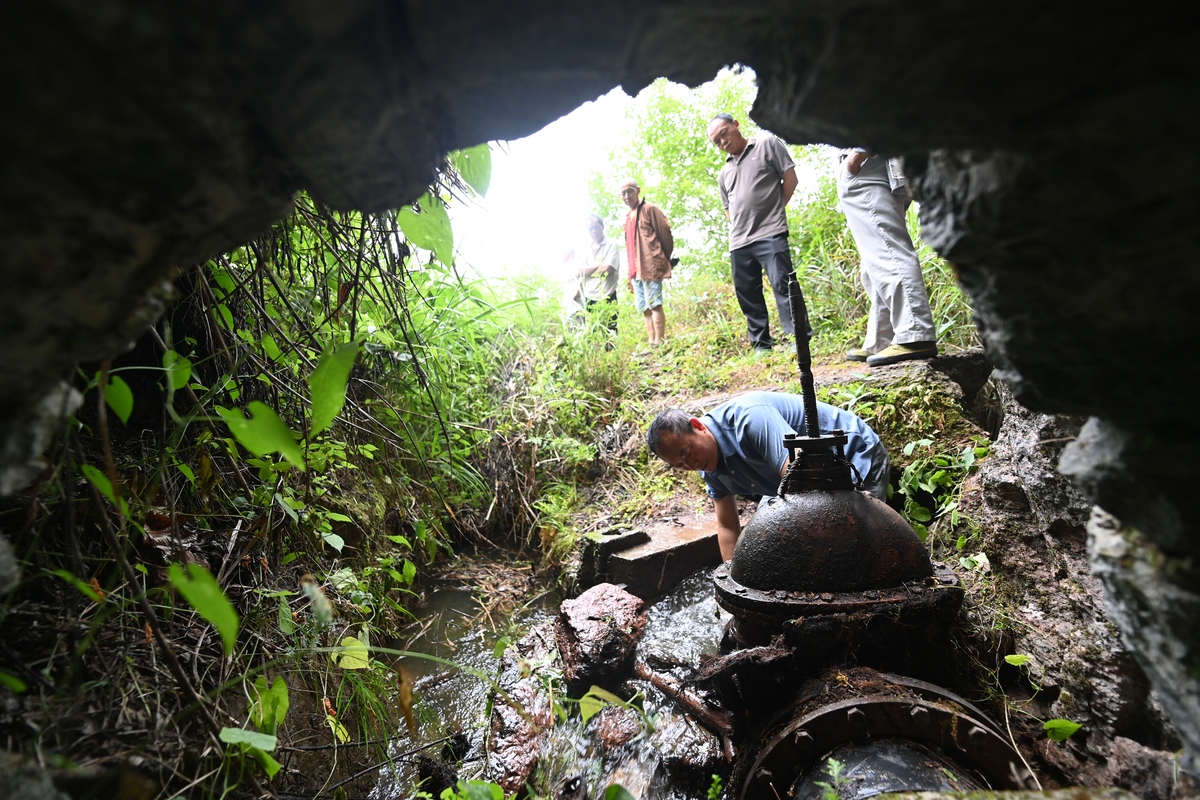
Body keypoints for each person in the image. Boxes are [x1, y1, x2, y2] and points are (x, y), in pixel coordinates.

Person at [646, 391, 890, 561]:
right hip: (799, 480)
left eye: (686, 453)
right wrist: (733, 582)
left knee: (852, 546)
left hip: (853, 456)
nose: (690, 465)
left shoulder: (749, 419)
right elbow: (727, 526)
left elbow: (802, 481)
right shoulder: (706, 464)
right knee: (767, 543)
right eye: (680, 465)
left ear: (698, 426)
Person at [707, 113, 799, 354]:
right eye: (717, 141)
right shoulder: (724, 173)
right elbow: (728, 208)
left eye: (724, 133)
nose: (723, 142)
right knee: (747, 293)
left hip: (771, 231)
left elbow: (790, 178)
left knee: (784, 285)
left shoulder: (767, 144)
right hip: (739, 241)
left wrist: (775, 210)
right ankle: (761, 345)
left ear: (736, 124)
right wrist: (741, 224)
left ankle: (798, 337)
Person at [838, 150, 938, 366]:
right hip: (873, 166)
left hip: (869, 166)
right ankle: (881, 339)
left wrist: (856, 157)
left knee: (888, 252)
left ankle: (915, 334)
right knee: (875, 260)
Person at [620, 179, 674, 347]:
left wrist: (661, 258)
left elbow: (665, 234)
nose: (627, 196)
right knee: (644, 308)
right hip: (635, 270)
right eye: (623, 193)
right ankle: (652, 343)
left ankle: (660, 341)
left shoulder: (649, 209)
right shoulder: (627, 218)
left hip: (650, 265)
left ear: (638, 190)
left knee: (655, 304)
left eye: (630, 191)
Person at [577, 214, 620, 337]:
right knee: (590, 334)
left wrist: (588, 272)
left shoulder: (612, 244)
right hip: (589, 296)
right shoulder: (586, 248)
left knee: (610, 334)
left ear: (602, 227)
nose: (594, 231)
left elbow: (607, 270)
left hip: (607, 296)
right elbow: (579, 271)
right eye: (590, 229)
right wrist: (597, 265)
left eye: (596, 227)